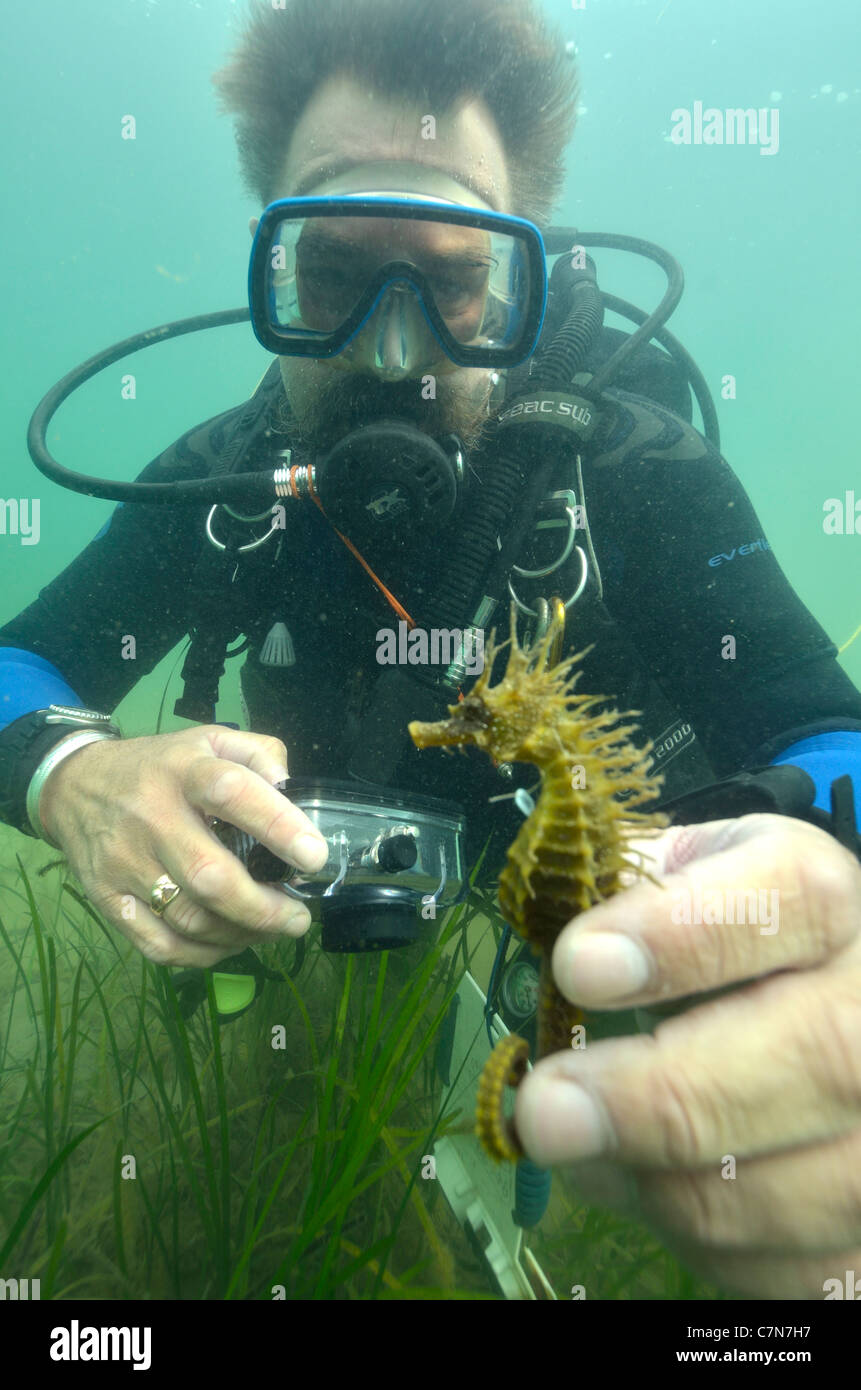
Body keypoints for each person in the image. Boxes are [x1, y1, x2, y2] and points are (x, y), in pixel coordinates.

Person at [2, 0, 861, 1300]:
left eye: (453, 280)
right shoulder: (232, 483)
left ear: (518, 272)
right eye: (336, 274)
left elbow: (831, 732)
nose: (394, 349)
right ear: (270, 272)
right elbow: (22, 665)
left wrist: (804, 854)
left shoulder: (632, 470)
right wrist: (74, 774)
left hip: (604, 889)